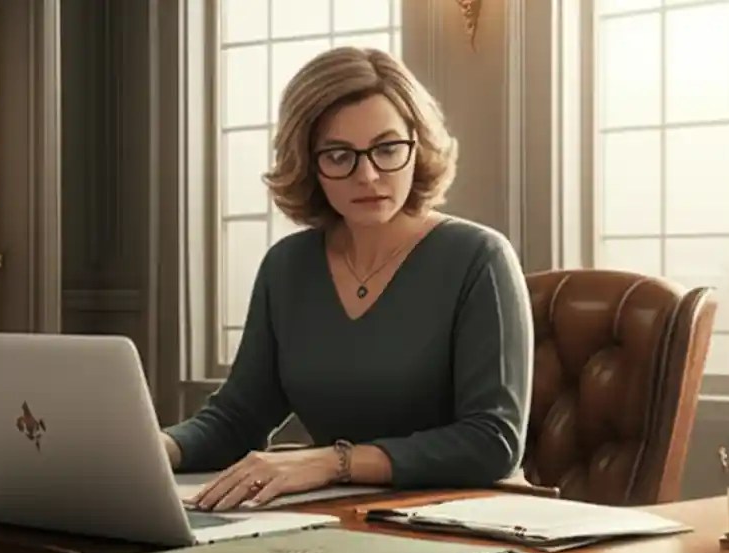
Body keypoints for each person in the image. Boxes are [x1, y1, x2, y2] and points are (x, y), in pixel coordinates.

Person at [163, 46, 533, 511]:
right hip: (337, 518)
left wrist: (333, 463)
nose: (368, 174)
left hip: (462, 521)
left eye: (387, 148)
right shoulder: (287, 267)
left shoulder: (479, 258)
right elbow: (237, 419)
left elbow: (492, 441)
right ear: (308, 163)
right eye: (339, 155)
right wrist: (156, 448)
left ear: (418, 147)